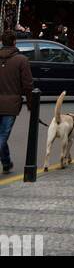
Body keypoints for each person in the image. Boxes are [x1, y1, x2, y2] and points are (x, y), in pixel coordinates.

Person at [0, 28, 34, 174]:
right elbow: (28, 85)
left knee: (1, 135)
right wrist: (31, 104)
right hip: (11, 104)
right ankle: (6, 162)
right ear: (14, 42)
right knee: (2, 136)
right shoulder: (22, 60)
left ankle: (6, 162)